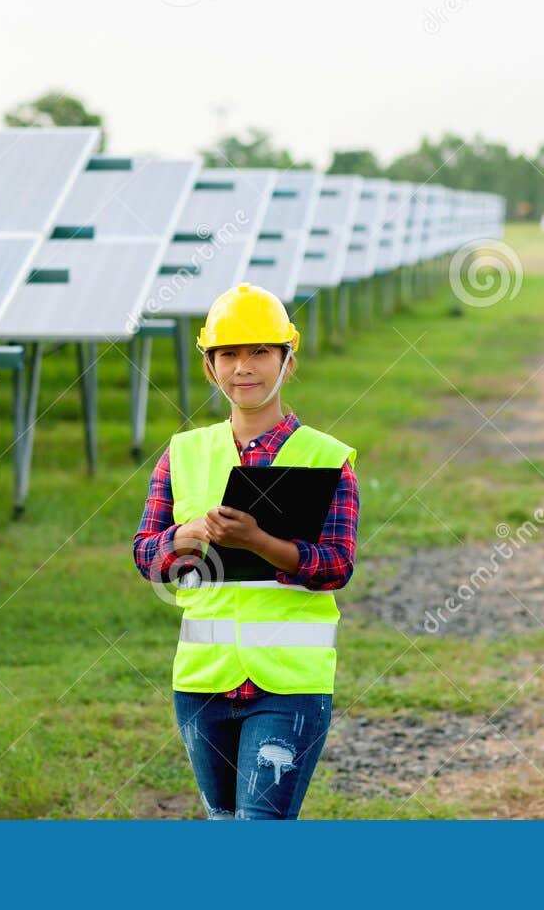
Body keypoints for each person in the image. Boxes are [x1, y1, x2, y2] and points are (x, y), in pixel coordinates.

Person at [132, 283, 359, 820]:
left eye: (260, 351)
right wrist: (183, 536)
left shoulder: (327, 459)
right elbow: (146, 554)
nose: (244, 367)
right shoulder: (182, 453)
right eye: (228, 354)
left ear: (287, 361)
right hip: (202, 681)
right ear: (210, 367)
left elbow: (336, 565)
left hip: (289, 683)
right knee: (224, 823)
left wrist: (259, 542)